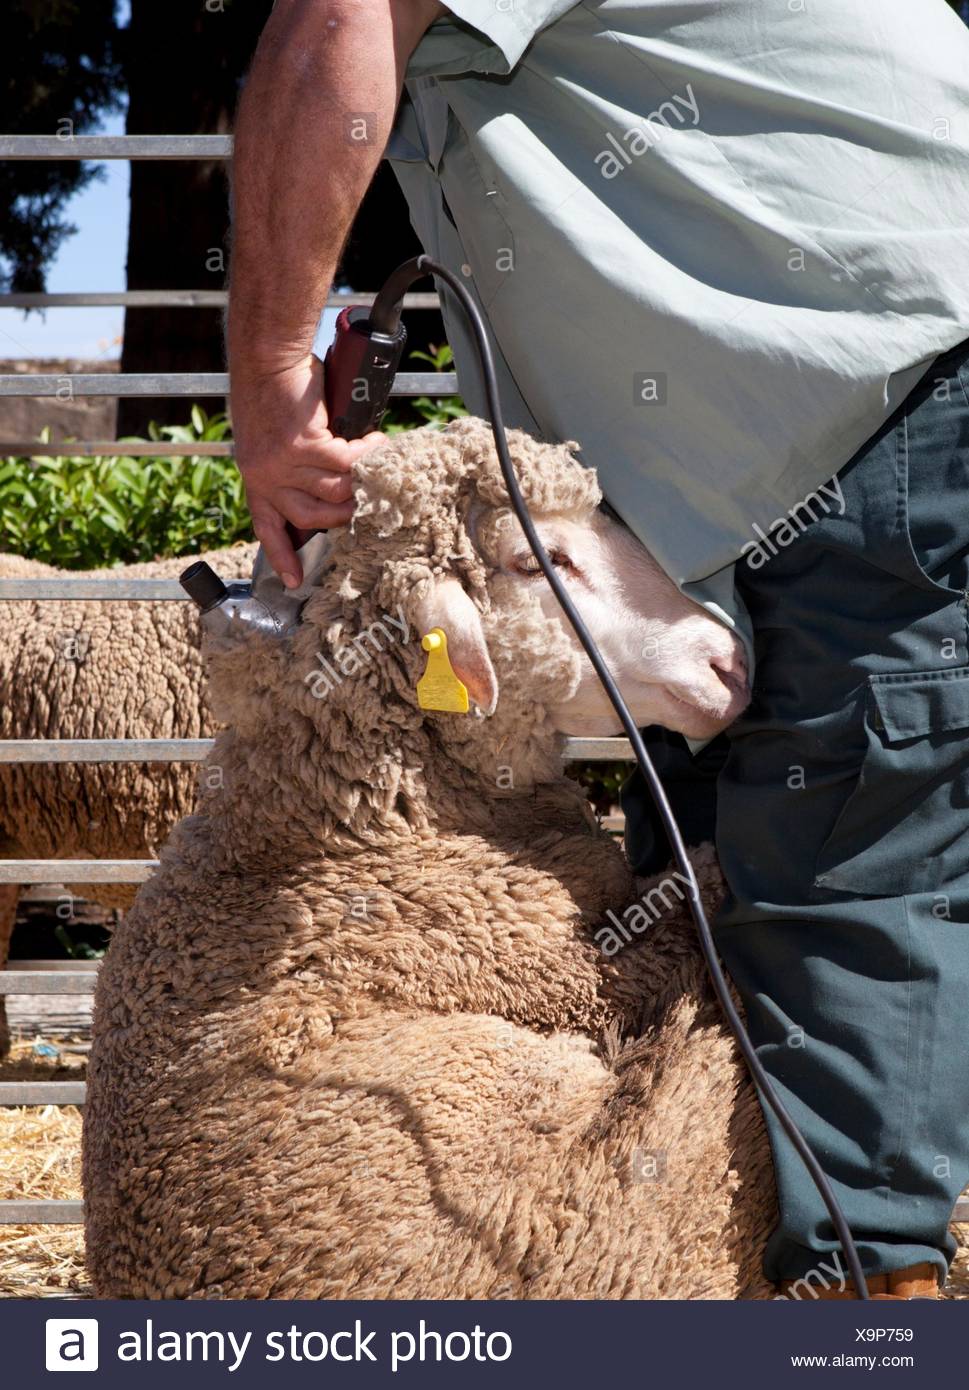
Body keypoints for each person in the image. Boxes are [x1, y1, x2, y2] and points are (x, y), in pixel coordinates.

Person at [228, 0, 969, 1300]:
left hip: (867, 399)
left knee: (845, 905)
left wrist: (273, 370)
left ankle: (868, 1321)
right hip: (761, 461)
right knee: (704, 924)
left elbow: (337, 20)